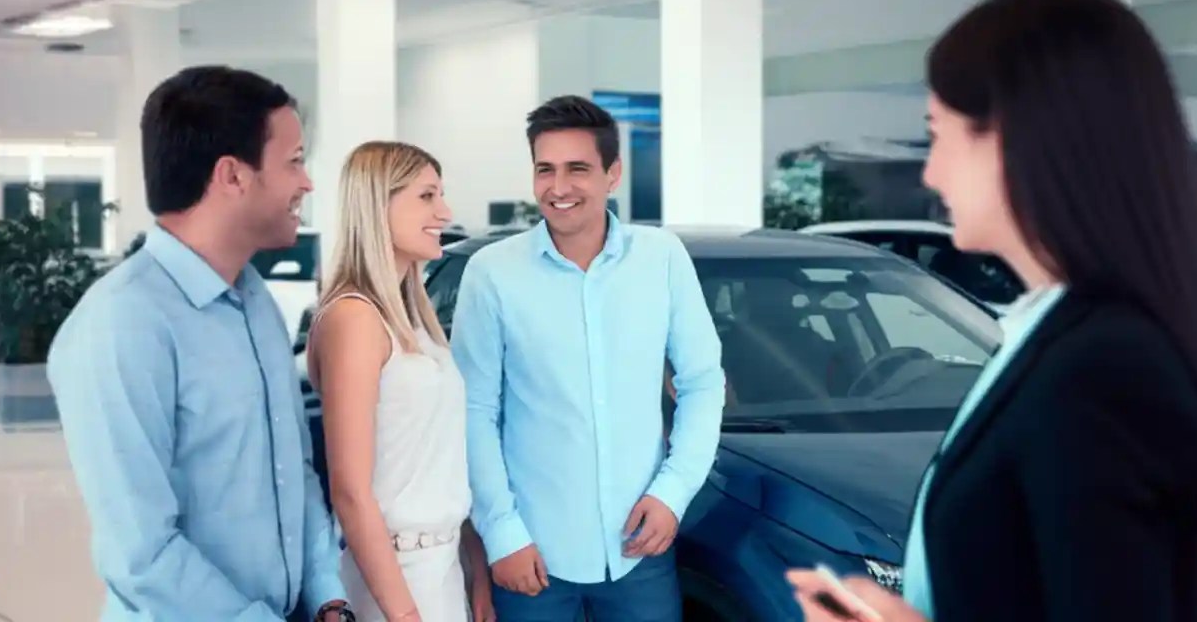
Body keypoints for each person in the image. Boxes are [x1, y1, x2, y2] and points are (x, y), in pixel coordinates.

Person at [789, 0, 1197, 622]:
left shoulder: (1105, 368)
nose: (929, 172)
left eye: (938, 134)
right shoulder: (1061, 334)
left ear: (1016, 139)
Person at [47, 66, 354, 621]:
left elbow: (296, 473)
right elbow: (140, 553)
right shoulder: (121, 325)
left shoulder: (255, 301)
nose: (306, 183)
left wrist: (327, 593)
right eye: (294, 161)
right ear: (232, 175)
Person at [451, 95, 727, 621]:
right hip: (529, 554)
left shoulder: (662, 258)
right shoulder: (492, 273)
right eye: (545, 170)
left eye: (577, 168)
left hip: (639, 550)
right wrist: (501, 531)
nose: (558, 188)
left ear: (613, 173)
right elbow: (474, 410)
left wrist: (673, 492)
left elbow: (702, 381)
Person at [304, 141, 494, 622]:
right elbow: (350, 492)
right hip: (393, 582)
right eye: (427, 196)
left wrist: (476, 573)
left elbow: (440, 459)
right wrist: (405, 616)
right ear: (376, 204)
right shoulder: (354, 318)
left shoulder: (415, 319)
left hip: (443, 570)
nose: (445, 212)